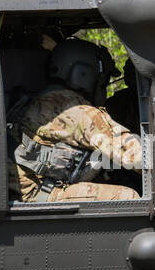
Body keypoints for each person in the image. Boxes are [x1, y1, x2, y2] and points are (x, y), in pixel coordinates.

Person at [10, 36, 143, 201]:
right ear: (82, 74)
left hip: (24, 189)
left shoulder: (48, 100)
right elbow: (135, 156)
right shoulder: (77, 112)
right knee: (127, 196)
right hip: (40, 194)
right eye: (102, 82)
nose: (104, 89)